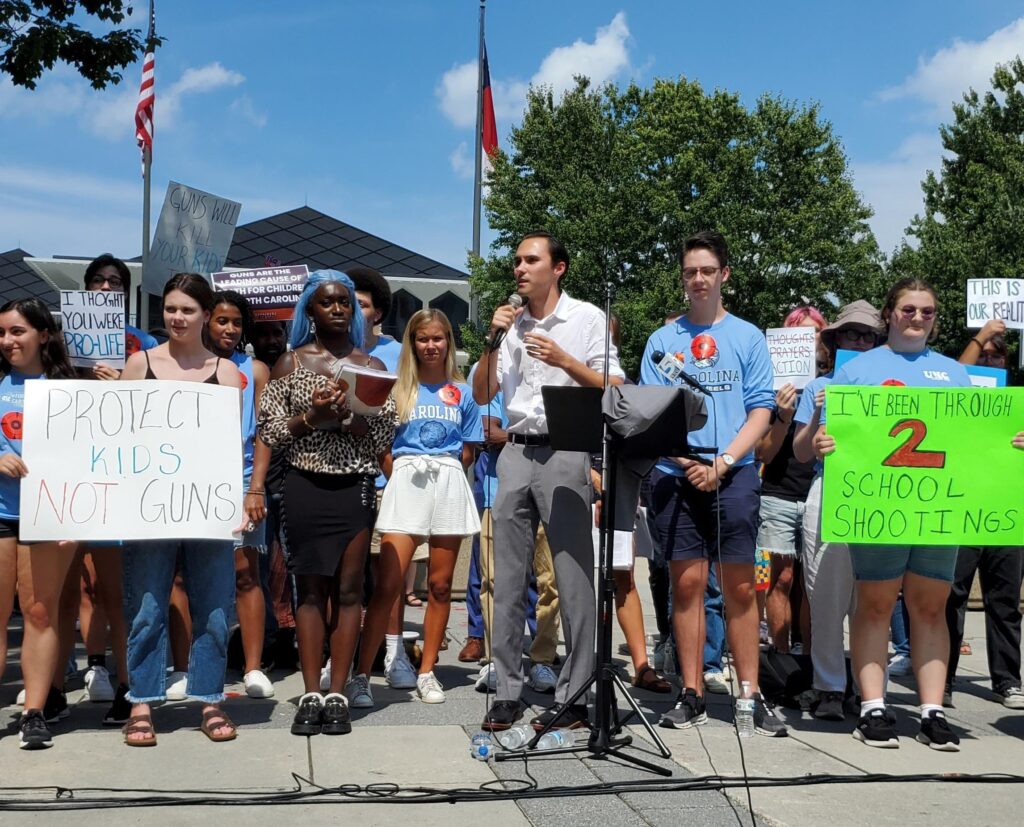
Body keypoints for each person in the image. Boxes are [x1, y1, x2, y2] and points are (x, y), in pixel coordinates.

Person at [813, 277, 1018, 751]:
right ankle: (872, 707)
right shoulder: (858, 370)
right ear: (890, 313)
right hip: (878, 507)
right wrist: (825, 442)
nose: (918, 318)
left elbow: (977, 443)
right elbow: (828, 438)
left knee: (930, 609)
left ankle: (931, 711)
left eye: (927, 311)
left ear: (936, 318)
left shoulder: (956, 372)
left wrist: (1010, 445)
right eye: (909, 309)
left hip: (937, 511)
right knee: (876, 606)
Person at [473, 231, 623, 732]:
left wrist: (564, 361)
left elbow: (616, 387)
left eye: (530, 259)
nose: (519, 267)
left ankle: (575, 693)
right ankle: (508, 689)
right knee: (507, 578)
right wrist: (491, 340)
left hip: (566, 451)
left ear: (558, 268)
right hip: (515, 452)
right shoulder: (509, 324)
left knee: (572, 577)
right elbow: (480, 392)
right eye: (516, 260)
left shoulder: (586, 319)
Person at [640, 230, 786, 736]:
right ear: (682, 279)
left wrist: (722, 463)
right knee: (688, 585)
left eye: (707, 270)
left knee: (741, 587)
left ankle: (750, 694)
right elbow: (650, 415)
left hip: (734, 474)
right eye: (689, 272)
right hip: (676, 474)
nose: (698, 279)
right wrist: (688, 462)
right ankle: (692, 691)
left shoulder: (747, 336)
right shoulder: (662, 341)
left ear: (724, 275)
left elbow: (761, 410)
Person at [258, 270, 395, 737]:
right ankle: (311, 690)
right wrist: (312, 417)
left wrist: (348, 419)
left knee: (351, 589)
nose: (338, 308)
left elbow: (382, 436)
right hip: (303, 484)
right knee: (310, 591)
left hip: (354, 485)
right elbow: (271, 431)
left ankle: (339, 690)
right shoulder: (289, 364)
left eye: (344, 303)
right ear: (309, 311)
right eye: (327, 302)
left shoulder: (372, 368)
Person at [118, 273, 243, 747]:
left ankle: (209, 698)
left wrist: (240, 497)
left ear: (206, 315)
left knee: (213, 607)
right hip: (147, 505)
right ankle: (143, 702)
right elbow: (120, 440)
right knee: (147, 607)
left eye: (188, 310)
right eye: (170, 308)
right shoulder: (138, 364)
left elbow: (232, 446)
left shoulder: (227, 372)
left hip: (207, 506)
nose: (177, 317)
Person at [349, 309, 481, 706]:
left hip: (448, 480)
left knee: (440, 585)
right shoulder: (396, 390)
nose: (430, 346)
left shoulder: (464, 392)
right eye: (423, 338)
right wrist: (400, 474)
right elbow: (382, 446)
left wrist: (444, 472)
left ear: (448, 341)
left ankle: (427, 671)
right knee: (388, 585)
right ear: (412, 343)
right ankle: (361, 675)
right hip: (406, 480)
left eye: (438, 338)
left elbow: (469, 449)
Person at [68, 254, 158, 726]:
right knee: (78, 588)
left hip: (123, 478)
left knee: (120, 590)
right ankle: (81, 672)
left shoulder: (142, 346)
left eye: (116, 282)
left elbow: (159, 410)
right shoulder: (62, 343)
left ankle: (130, 683)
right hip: (71, 477)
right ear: (85, 289)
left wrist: (123, 384)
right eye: (98, 281)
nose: (106, 287)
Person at [793, 300, 881, 721]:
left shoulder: (895, 388)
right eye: (851, 334)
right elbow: (799, 452)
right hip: (830, 490)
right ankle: (829, 685)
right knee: (825, 597)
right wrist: (814, 418)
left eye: (868, 335)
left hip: (884, 496)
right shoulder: (818, 388)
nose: (860, 342)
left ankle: (870, 693)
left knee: (874, 602)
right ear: (836, 340)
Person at [0, 298, 79, 749]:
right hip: (2, 512)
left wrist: (77, 512)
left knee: (39, 611)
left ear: (43, 335)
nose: (8, 341)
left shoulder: (67, 388)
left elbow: (86, 457)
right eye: (3, 333)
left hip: (48, 514)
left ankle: (35, 710)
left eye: (18, 332)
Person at [462, 361, 561, 696]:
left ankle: (543, 658)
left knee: (549, 580)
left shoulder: (556, 359)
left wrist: (514, 435)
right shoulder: (491, 364)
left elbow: (565, 428)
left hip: (551, 489)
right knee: (494, 580)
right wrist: (536, 436)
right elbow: (488, 432)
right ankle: (495, 658)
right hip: (497, 489)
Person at [945, 322, 1023, 710]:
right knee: (951, 597)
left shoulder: (1018, 401)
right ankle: (942, 679)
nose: (990, 360)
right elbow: (958, 372)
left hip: (1005, 511)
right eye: (984, 354)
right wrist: (980, 338)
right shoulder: (957, 393)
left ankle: (1007, 680)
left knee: (1005, 601)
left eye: (997, 355)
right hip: (961, 509)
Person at [205, 291, 274, 697]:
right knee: (186, 575)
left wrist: (256, 487)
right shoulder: (187, 365)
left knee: (247, 574)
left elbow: (265, 432)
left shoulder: (257, 370)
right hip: (194, 483)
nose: (229, 329)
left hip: (242, 480)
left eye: (236, 323)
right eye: (221, 321)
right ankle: (187, 666)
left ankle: (251, 668)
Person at [755, 305, 827, 653]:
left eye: (815, 333)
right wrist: (783, 414)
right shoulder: (771, 387)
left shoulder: (835, 384)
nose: (810, 341)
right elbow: (763, 454)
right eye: (801, 333)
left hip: (819, 490)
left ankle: (812, 657)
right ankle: (781, 656)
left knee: (815, 583)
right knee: (780, 578)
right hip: (780, 491)